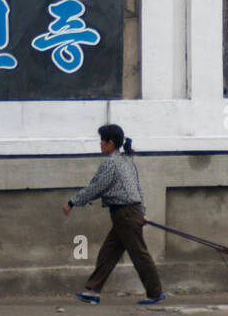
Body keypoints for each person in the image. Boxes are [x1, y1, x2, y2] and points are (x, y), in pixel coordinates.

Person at [62, 125, 165, 305]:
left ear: (111, 143)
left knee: (139, 254)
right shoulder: (127, 162)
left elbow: (96, 187)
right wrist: (142, 212)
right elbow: (137, 189)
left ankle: (155, 292)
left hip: (125, 213)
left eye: (102, 141)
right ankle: (93, 291)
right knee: (108, 253)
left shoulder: (110, 163)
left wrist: (72, 202)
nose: (100, 144)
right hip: (127, 212)